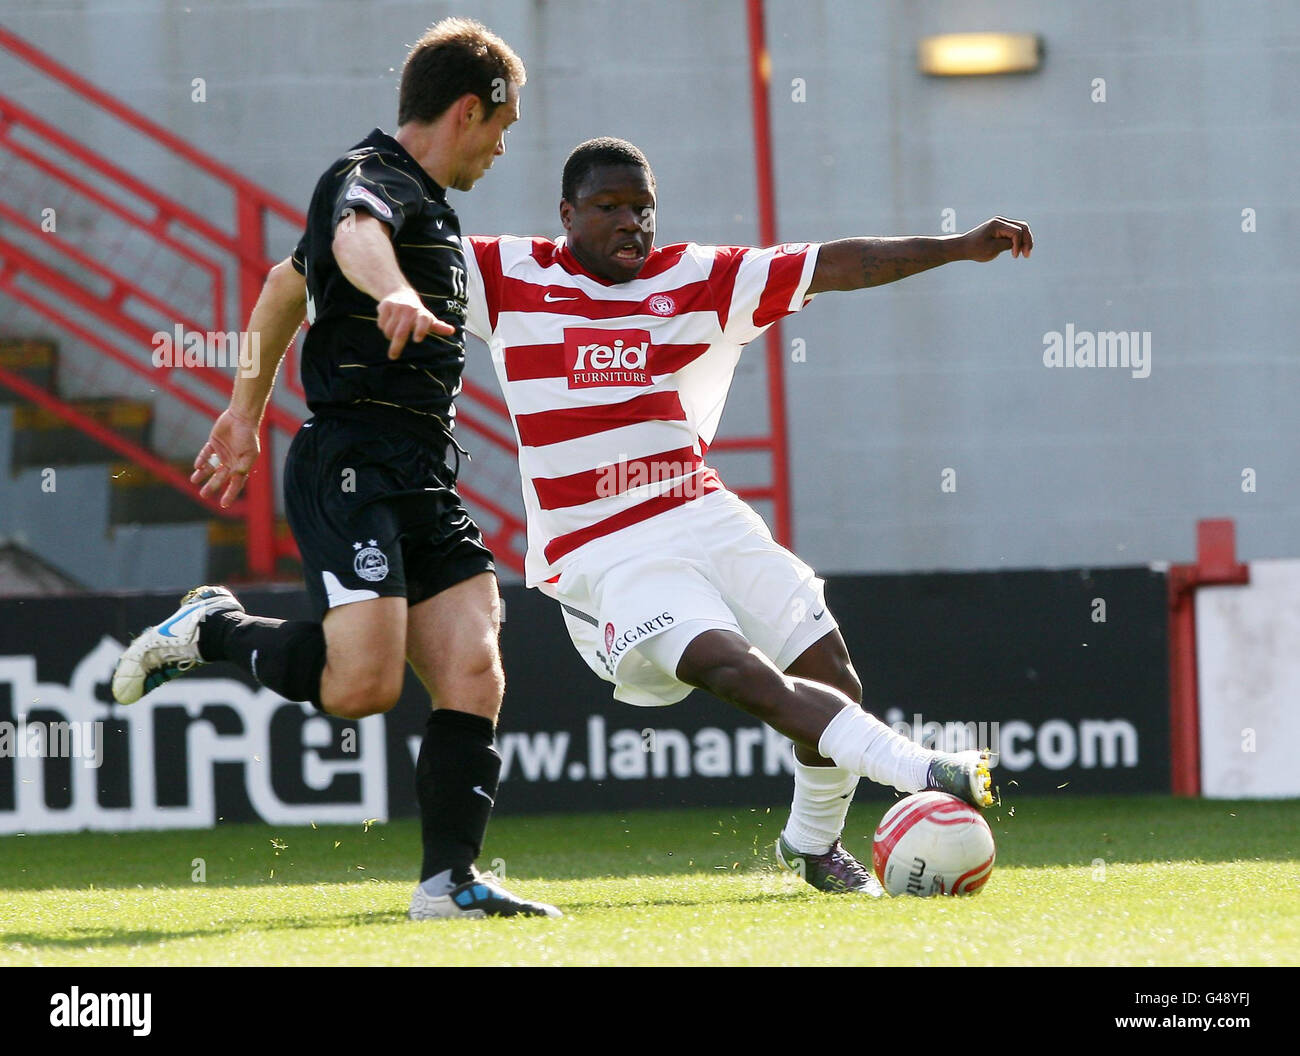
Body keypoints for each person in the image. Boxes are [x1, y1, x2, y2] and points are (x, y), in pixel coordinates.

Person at [456, 137, 1032, 896]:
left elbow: (836, 263)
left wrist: (956, 248)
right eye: (608, 209)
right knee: (735, 667)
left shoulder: (697, 278)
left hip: (698, 509)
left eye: (642, 209)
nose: (631, 224)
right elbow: (377, 250)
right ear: (566, 214)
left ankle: (812, 846)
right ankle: (924, 768)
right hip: (602, 550)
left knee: (829, 669)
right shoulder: (507, 274)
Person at [112, 18, 559, 920]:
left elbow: (287, 286)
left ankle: (449, 884)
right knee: (364, 688)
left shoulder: (429, 203)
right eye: (503, 127)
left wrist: (242, 411)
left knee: (476, 669)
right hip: (349, 460)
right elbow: (354, 237)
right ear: (471, 109)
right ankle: (213, 630)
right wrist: (392, 289)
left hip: (423, 470)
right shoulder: (367, 182)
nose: (504, 147)